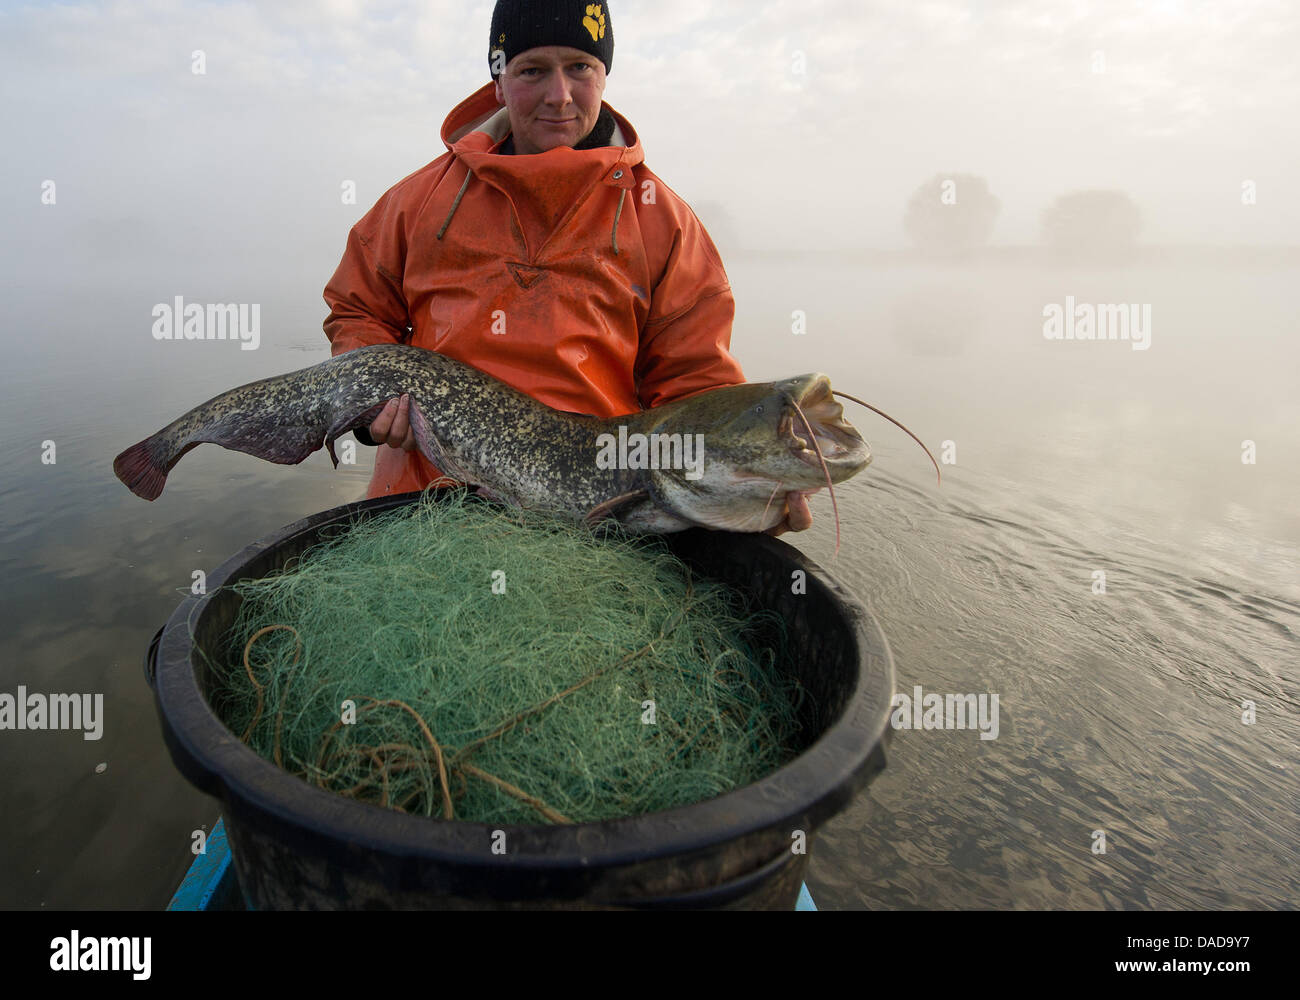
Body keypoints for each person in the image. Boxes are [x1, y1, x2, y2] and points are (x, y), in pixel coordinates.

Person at [323, 0, 812, 534]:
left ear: (604, 74)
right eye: (533, 70)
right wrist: (373, 401)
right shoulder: (418, 201)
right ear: (499, 80)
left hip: (602, 510)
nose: (560, 96)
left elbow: (693, 384)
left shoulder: (661, 219)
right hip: (424, 497)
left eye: (580, 67)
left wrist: (740, 486)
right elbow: (358, 308)